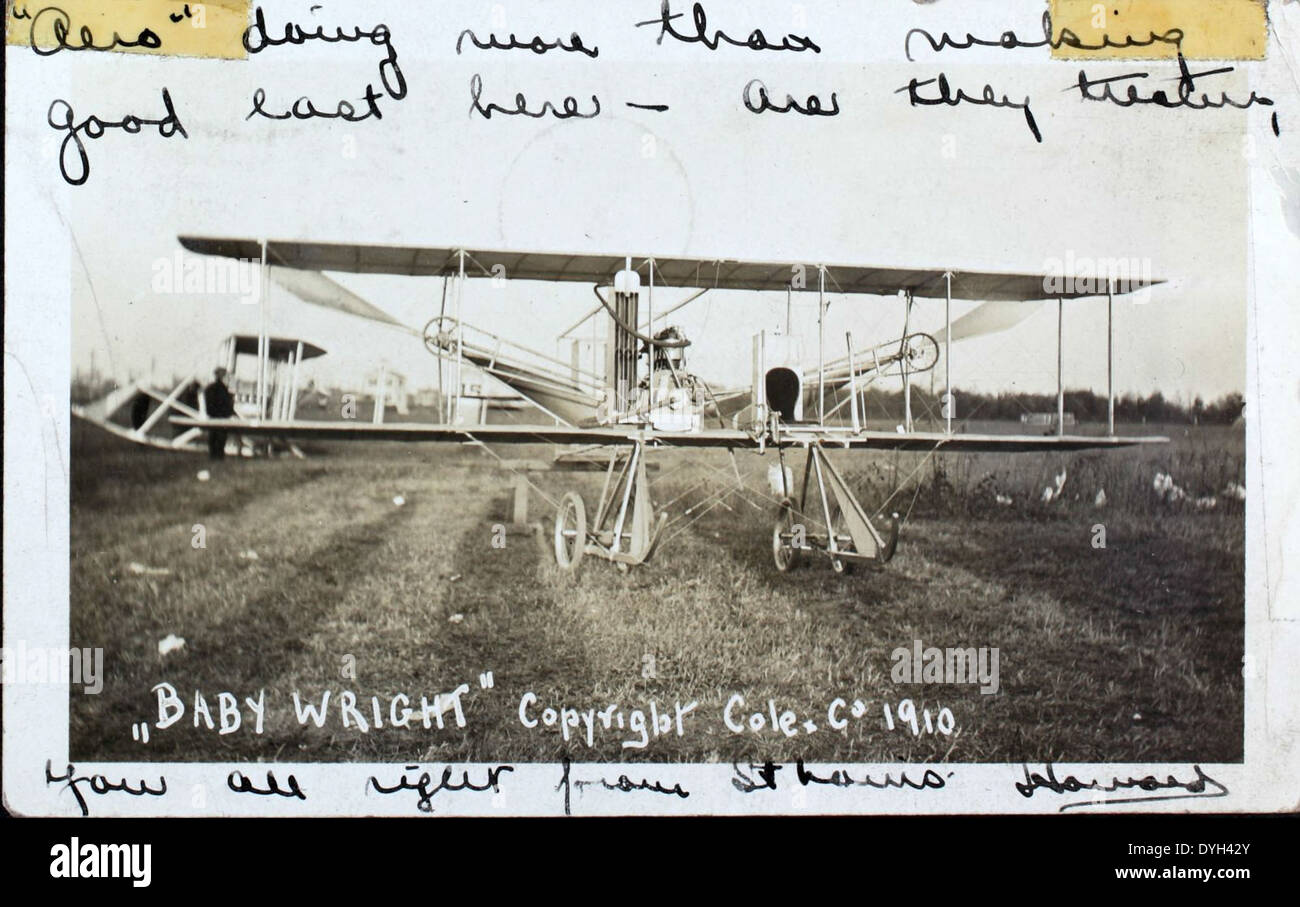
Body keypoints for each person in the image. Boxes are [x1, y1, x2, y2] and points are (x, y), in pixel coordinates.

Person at [203, 367, 236, 460]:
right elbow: (226, 404)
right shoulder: (223, 389)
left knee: (213, 436)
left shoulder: (210, 388)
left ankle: (213, 456)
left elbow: (209, 403)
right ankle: (218, 456)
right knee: (220, 438)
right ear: (223, 377)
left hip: (213, 416)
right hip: (222, 417)